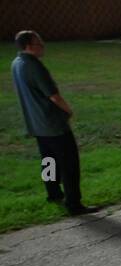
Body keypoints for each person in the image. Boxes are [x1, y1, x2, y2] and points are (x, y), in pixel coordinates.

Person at [10, 31, 93, 215]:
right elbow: (53, 95)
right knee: (69, 164)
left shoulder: (16, 63)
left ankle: (53, 192)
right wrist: (68, 111)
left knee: (48, 160)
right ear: (29, 46)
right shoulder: (34, 66)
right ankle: (74, 204)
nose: (43, 47)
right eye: (40, 43)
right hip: (52, 124)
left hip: (36, 124)